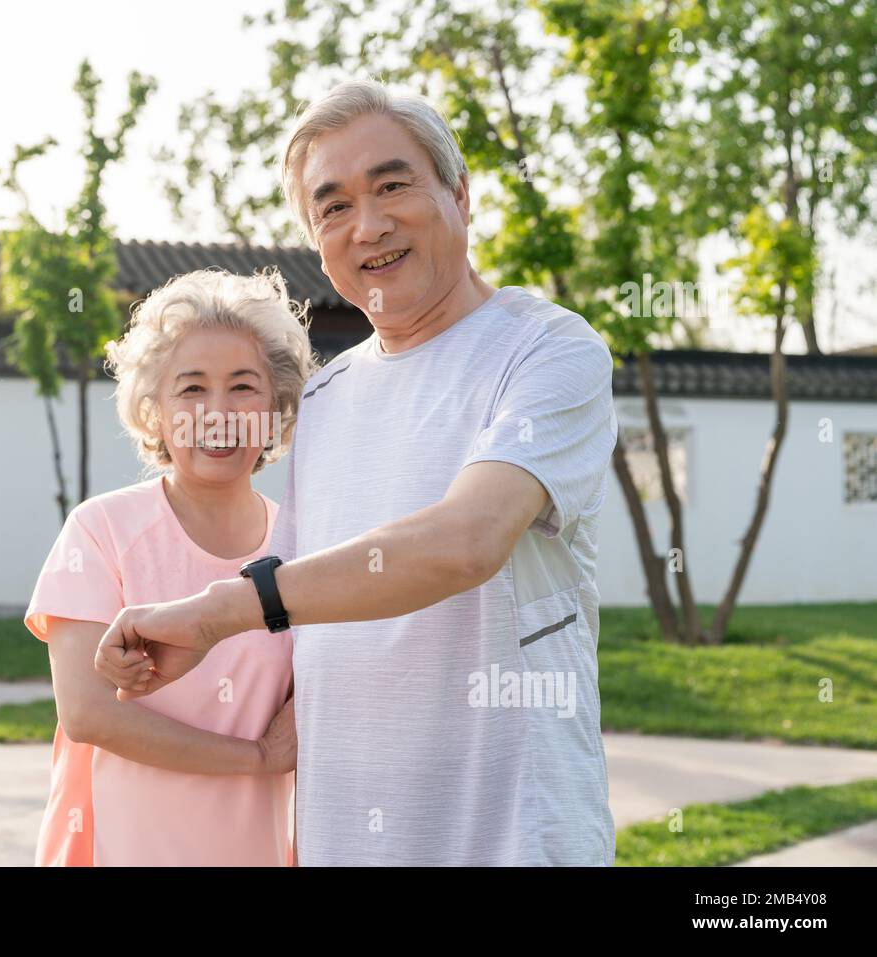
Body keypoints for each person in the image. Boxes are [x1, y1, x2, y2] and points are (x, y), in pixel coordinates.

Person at [96, 79, 619, 866]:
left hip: (510, 834)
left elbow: (465, 543)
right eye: (332, 206)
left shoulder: (546, 350)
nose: (367, 225)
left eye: (392, 184)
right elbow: (307, 605)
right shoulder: (328, 396)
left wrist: (212, 611)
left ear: (460, 194)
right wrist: (144, 648)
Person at [25, 267, 319, 865]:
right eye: (191, 388)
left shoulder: (306, 545)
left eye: (244, 387)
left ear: (276, 406)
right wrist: (256, 760)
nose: (219, 412)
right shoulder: (99, 530)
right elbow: (88, 714)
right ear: (154, 408)